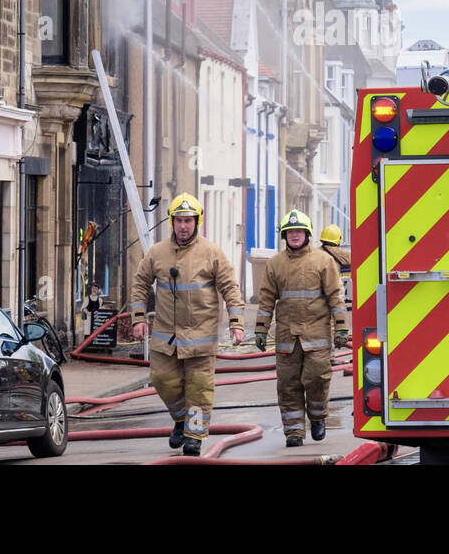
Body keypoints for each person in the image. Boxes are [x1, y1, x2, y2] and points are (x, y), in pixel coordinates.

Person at [131, 193, 244, 456]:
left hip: (200, 338)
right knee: (162, 380)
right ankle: (181, 420)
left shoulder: (211, 253)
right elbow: (139, 285)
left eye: (188, 220)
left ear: (197, 222)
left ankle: (194, 436)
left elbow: (230, 288)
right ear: (172, 221)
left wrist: (236, 323)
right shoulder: (157, 253)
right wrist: (138, 318)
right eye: (179, 220)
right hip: (165, 338)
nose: (183, 226)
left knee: (198, 389)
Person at [254, 209, 348, 447]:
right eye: (290, 232)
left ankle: (317, 417)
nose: (294, 235)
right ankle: (294, 432)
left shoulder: (323, 261)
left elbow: (336, 297)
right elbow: (266, 300)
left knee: (317, 378)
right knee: (288, 384)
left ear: (307, 234)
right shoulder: (275, 264)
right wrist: (261, 330)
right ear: (284, 235)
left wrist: (341, 328)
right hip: (287, 335)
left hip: (316, 334)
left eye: (299, 231)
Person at [319, 223, 352, 304]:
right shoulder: (342, 253)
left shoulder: (315, 252)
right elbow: (354, 262)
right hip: (334, 289)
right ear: (338, 239)